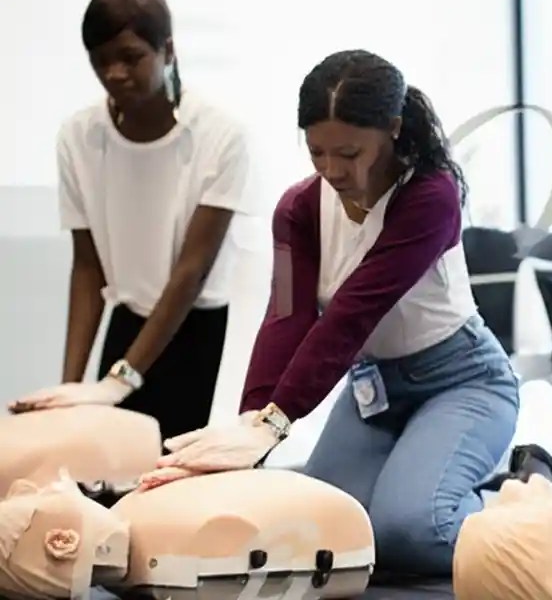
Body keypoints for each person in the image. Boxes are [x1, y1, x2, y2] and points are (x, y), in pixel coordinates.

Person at [141, 49, 520, 578]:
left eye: (348, 153)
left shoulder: (431, 196)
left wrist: (274, 423)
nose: (331, 170)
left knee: (408, 531)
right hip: (375, 392)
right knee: (325, 533)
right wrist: (250, 430)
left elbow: (352, 314)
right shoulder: (299, 209)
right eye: (317, 151)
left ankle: (522, 501)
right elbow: (287, 317)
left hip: (463, 382)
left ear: (391, 129)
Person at [8, 0, 251, 442]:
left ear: (168, 51)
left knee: (174, 488)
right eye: (100, 61)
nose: (114, 73)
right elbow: (87, 266)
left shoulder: (221, 136)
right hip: (129, 323)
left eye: (131, 57)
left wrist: (119, 381)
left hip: (200, 330)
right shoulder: (79, 136)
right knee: (98, 475)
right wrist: (71, 389)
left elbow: (191, 272)